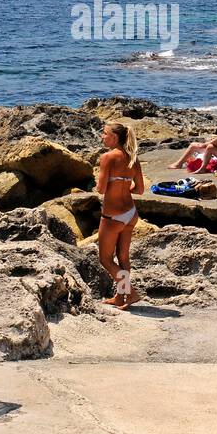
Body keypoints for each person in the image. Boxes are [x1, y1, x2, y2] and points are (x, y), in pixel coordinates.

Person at [97, 123, 145, 309]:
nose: (103, 136)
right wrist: (124, 187)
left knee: (106, 259)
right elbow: (140, 189)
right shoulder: (133, 158)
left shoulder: (108, 157)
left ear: (115, 138)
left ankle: (130, 292)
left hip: (113, 216)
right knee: (123, 257)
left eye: (105, 133)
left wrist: (110, 187)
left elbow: (101, 189)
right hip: (130, 213)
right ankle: (120, 296)